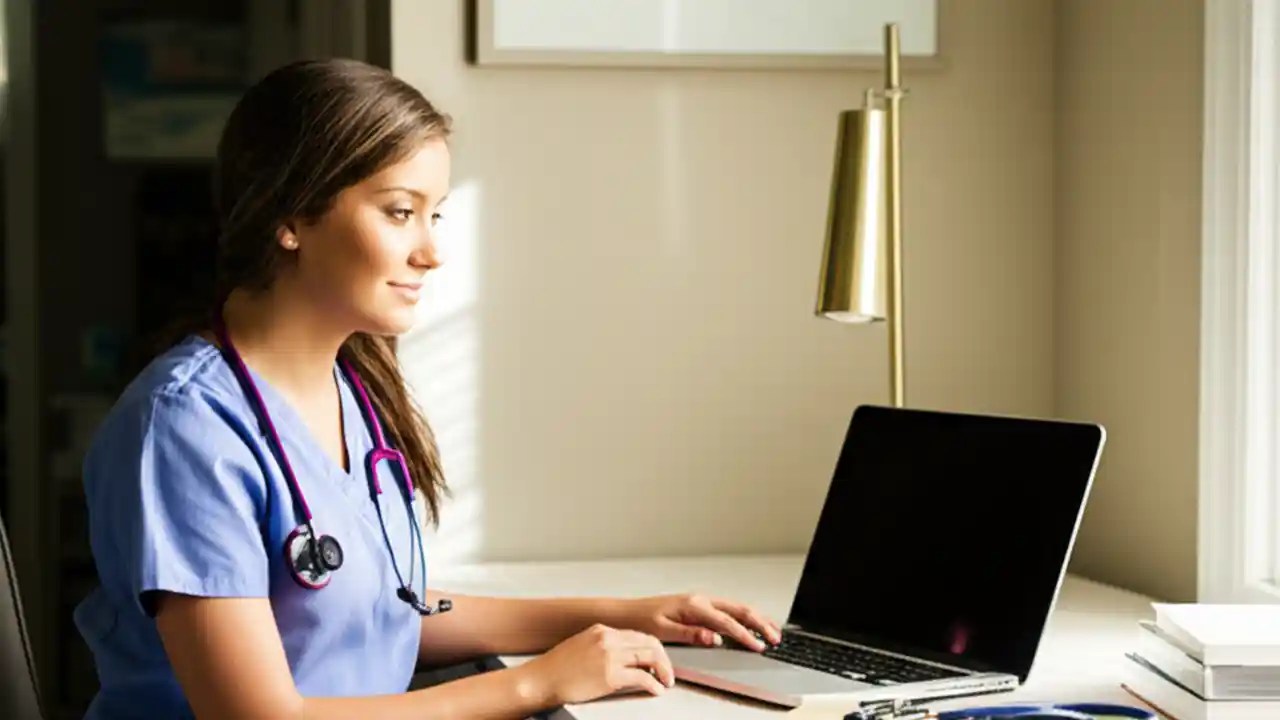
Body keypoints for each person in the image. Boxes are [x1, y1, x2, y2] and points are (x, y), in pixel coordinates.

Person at [71, 58, 781, 720]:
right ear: (289, 218)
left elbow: (385, 611)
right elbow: (259, 717)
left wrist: (620, 614)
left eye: (433, 214)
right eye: (399, 211)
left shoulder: (353, 387)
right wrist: (536, 681)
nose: (432, 251)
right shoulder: (184, 427)